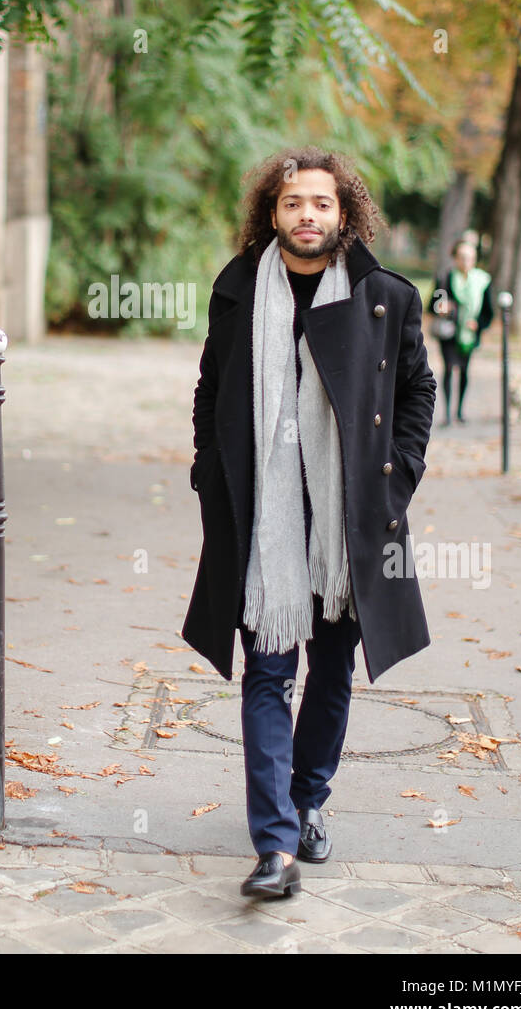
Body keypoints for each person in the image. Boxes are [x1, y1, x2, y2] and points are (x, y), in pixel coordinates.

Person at [183, 146, 436, 899]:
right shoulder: (237, 293)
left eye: (321, 203)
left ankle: (308, 798)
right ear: (272, 214)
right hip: (262, 515)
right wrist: (208, 472)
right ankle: (275, 846)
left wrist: (399, 484)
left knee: (330, 668)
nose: (307, 215)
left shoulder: (382, 296)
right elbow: (210, 388)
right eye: (294, 203)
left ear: (344, 212)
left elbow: (418, 394)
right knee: (267, 671)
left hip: (346, 522)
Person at [428, 238, 494, 425]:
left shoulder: (482, 281)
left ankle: (459, 410)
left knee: (464, 371)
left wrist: (478, 324)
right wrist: (442, 307)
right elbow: (432, 305)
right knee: (449, 369)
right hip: (449, 333)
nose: (466, 262)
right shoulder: (446, 279)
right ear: (455, 258)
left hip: (469, 335)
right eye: (462, 257)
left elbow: (489, 312)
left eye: (469, 258)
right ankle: (448, 412)